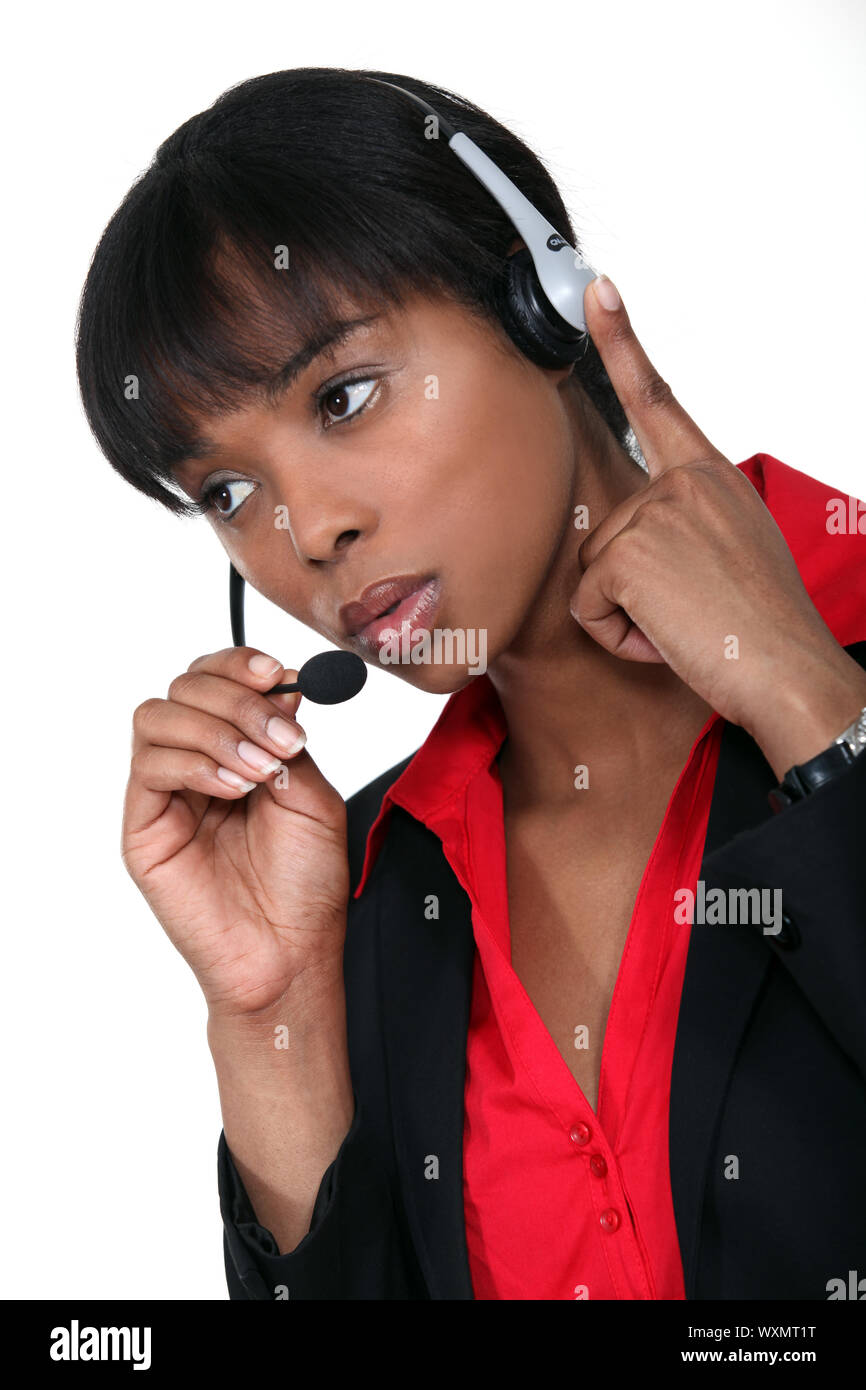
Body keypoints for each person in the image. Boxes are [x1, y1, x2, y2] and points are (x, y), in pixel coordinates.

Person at [75, 67, 866, 1301]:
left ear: (537, 307)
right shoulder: (371, 876)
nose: (305, 531)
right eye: (225, 494)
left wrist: (819, 720)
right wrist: (270, 1012)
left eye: (342, 396)